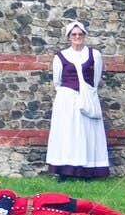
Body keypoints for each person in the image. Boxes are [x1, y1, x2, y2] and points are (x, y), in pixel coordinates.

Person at [46, 20, 110, 179]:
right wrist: (69, 94)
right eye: (74, 34)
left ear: (84, 35)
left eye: (80, 34)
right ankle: (64, 171)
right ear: (69, 36)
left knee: (87, 132)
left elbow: (95, 79)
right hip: (67, 98)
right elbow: (57, 82)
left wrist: (87, 93)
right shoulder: (60, 56)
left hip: (87, 96)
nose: (77, 37)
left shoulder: (94, 55)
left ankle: (87, 171)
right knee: (67, 132)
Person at [0, 181, 125, 215]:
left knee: (84, 205)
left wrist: (1, 210)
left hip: (39, 201)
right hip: (37, 214)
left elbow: (8, 194)